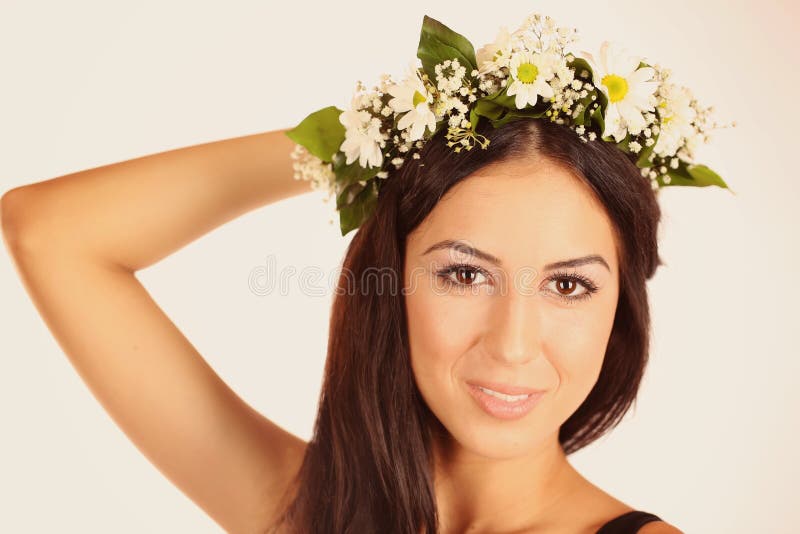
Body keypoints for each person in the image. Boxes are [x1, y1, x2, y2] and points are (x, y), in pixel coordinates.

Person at [2, 10, 732, 534]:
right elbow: (49, 229)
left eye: (568, 285)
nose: (513, 346)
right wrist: (365, 145)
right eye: (465, 276)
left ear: (621, 309)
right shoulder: (306, 509)